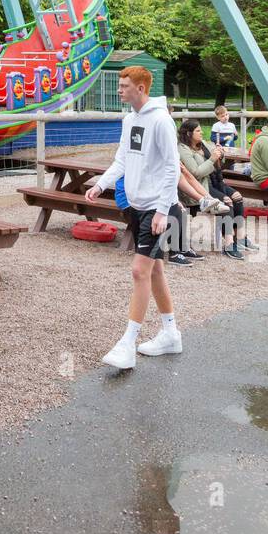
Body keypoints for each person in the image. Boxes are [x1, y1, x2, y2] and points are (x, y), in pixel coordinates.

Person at [86, 65, 184, 369]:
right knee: (154, 272)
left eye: (125, 85)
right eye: (120, 84)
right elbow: (123, 159)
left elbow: (172, 167)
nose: (120, 89)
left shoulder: (161, 120)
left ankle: (127, 344)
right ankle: (170, 334)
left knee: (139, 271)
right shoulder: (129, 119)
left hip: (159, 209)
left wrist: (163, 211)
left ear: (141, 88)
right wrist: (102, 183)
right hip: (139, 207)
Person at [178, 118, 258, 259]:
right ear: (189, 133)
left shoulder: (203, 145)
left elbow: (220, 163)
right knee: (226, 203)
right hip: (200, 185)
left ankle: (240, 238)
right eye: (198, 130)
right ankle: (228, 244)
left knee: (237, 197)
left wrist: (222, 153)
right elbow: (195, 173)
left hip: (214, 182)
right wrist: (212, 159)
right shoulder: (183, 149)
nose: (202, 132)